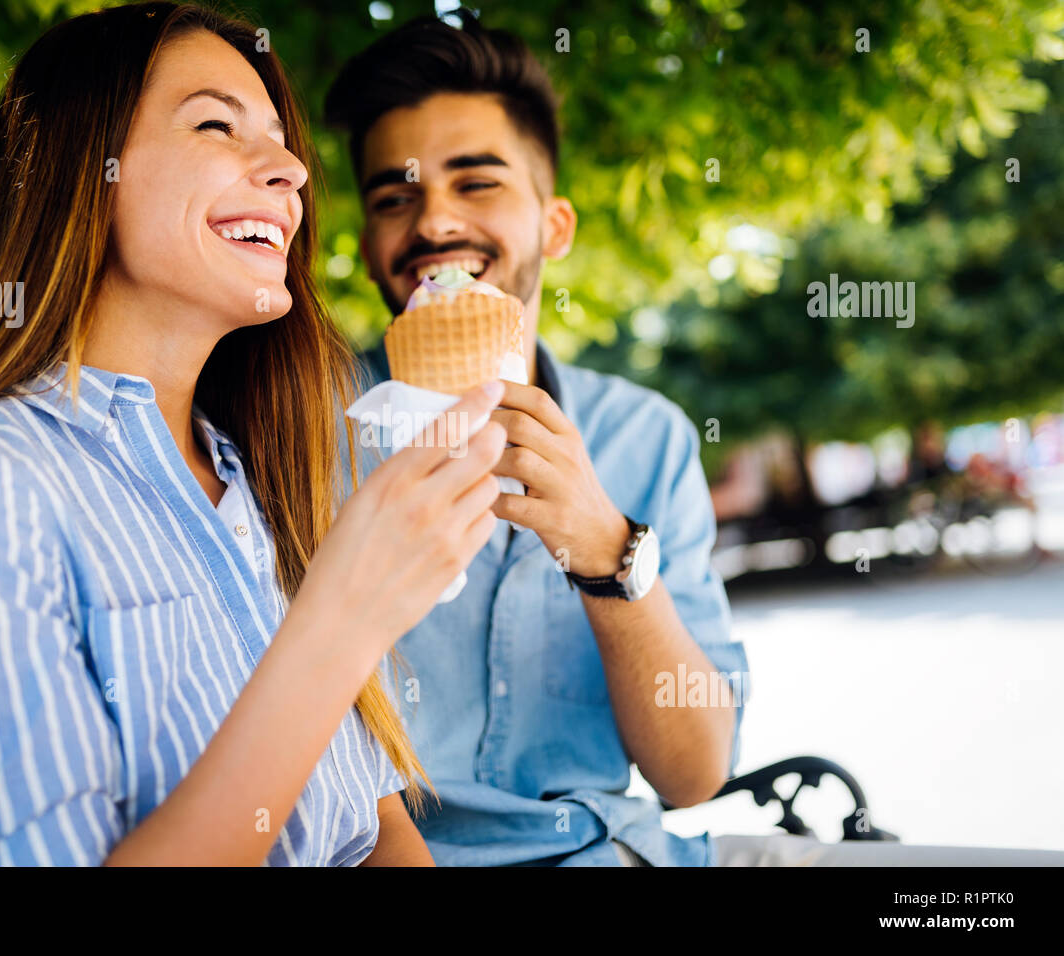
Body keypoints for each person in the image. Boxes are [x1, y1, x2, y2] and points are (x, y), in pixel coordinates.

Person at [0, 1, 509, 866]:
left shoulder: (273, 482)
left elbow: (378, 832)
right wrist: (345, 617)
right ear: (84, 170)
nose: (290, 172)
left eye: (281, 142)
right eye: (217, 126)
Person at [322, 12, 1064, 866]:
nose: (433, 222)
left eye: (477, 182)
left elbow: (696, 773)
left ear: (555, 225)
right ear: (372, 244)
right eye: (394, 197)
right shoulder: (301, 429)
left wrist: (609, 551)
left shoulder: (645, 437)